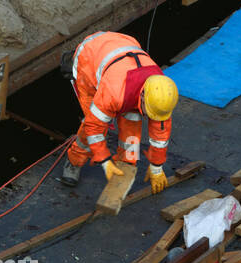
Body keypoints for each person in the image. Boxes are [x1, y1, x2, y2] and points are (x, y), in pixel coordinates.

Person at [60, 31, 179, 193]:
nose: (151, 118)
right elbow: (93, 128)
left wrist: (156, 168)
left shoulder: (161, 92)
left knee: (132, 122)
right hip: (88, 59)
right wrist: (105, 161)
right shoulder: (113, 92)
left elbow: (160, 135)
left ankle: (126, 165)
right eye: (149, 112)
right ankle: (74, 161)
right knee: (94, 123)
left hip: (121, 47)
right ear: (143, 97)